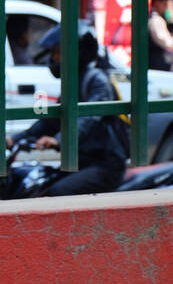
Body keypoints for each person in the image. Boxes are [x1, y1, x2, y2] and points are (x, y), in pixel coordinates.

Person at [7, 21, 129, 195]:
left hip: (104, 165)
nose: (54, 58)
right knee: (35, 183)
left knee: (55, 194)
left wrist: (59, 140)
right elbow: (52, 121)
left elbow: (89, 118)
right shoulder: (73, 84)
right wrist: (16, 138)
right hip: (81, 162)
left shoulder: (96, 80)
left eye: (58, 53)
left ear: (77, 53)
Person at [148, 0, 173, 71]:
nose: (166, 7)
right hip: (158, 64)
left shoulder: (160, 17)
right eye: (164, 4)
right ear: (157, 2)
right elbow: (166, 42)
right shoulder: (156, 19)